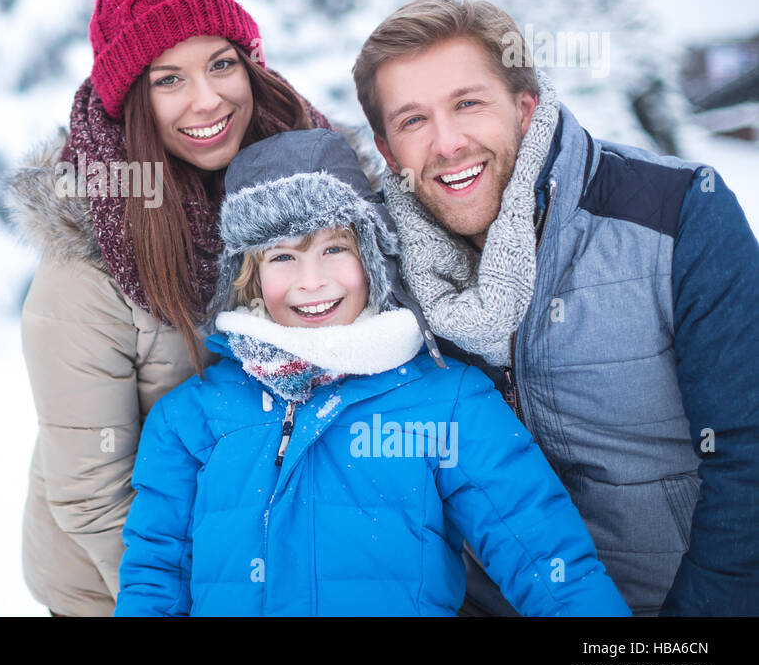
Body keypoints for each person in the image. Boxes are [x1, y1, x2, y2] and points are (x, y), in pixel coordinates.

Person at [352, 0, 759, 616]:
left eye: (468, 104)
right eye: (412, 121)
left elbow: (746, 456)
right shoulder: (375, 265)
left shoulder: (678, 214)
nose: (448, 143)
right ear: (386, 151)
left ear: (524, 107)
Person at [115, 128, 630, 615]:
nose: (311, 282)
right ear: (248, 274)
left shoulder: (448, 403)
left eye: (335, 249)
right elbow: (154, 581)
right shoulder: (189, 419)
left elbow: (549, 564)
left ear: (373, 258)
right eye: (282, 257)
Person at [2, 0, 332, 616]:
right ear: (131, 104)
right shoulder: (85, 271)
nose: (207, 100)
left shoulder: (316, 181)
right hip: (121, 582)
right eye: (168, 79)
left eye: (221, 64)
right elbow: (93, 492)